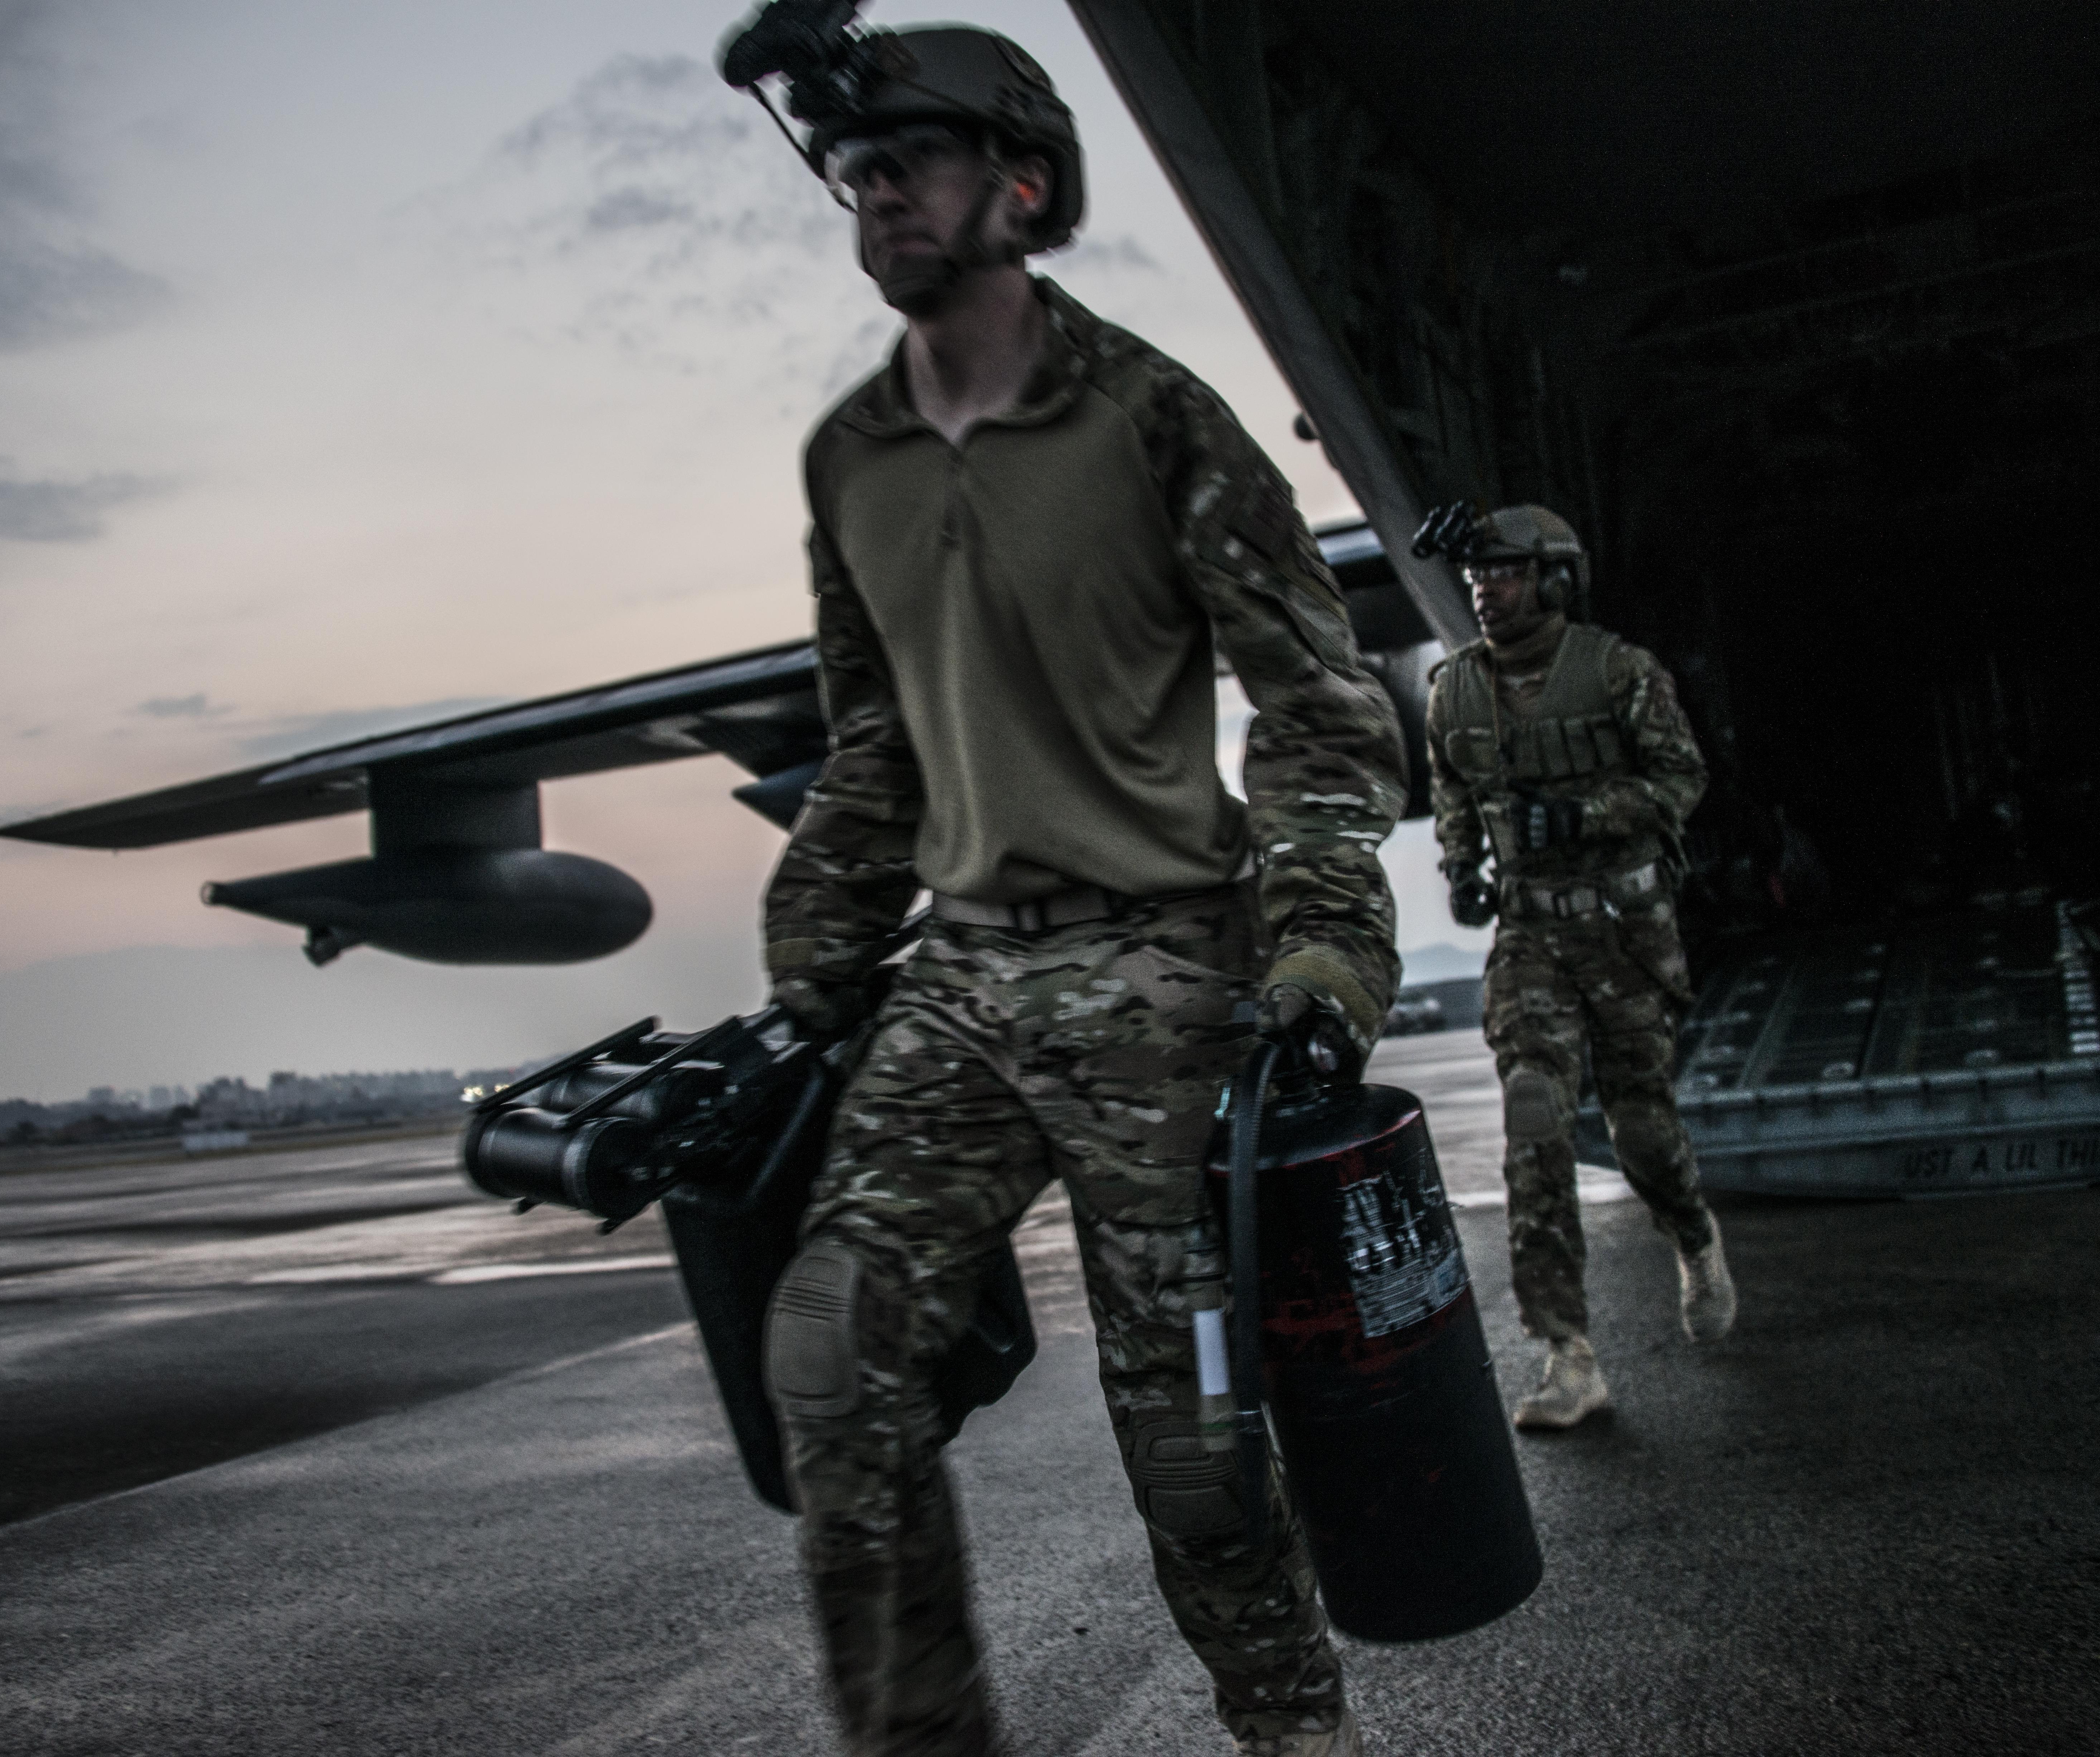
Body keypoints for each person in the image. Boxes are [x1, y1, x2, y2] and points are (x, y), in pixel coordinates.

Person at [743, 23, 1404, 1757]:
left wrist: (1326, 943)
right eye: (856, 165)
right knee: (831, 1362)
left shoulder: (1153, 417)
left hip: (1163, 970)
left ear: (1020, 185)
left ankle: (1290, 1728)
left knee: (1191, 1440)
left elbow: (1326, 708)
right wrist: (814, 947)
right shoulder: (848, 462)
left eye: (912, 155)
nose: (874, 186)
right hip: (956, 985)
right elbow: (874, 739)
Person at [1419, 505, 1736, 1430]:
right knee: (1534, 1127)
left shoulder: (1619, 673)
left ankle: (1692, 1231)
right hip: (1530, 941)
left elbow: (1684, 780)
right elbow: (1452, 791)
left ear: (1554, 579)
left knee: (1641, 1131)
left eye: (1506, 573)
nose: (1486, 589)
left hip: (1624, 929)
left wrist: (1591, 817)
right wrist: (1460, 867)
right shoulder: (1455, 691)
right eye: (1478, 577)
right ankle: (1568, 1354)